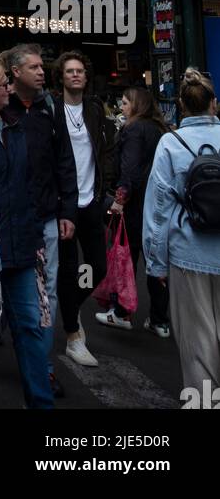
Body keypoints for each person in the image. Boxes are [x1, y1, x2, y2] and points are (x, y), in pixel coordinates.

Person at [0, 55, 54, 409]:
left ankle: (41, 403)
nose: (9, 88)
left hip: (20, 244)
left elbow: (27, 184)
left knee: (30, 328)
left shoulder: (16, 127)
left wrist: (34, 235)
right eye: (3, 83)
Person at [5, 43, 77, 398]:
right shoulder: (2, 108)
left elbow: (65, 160)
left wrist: (68, 211)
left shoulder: (51, 109)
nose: (41, 72)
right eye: (33, 67)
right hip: (11, 218)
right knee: (9, 289)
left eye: (40, 66)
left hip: (48, 215)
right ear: (15, 72)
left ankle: (43, 366)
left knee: (48, 293)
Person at [143, 67, 220, 396]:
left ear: (182, 106)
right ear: (214, 103)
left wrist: (156, 263)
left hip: (188, 254)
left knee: (197, 344)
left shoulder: (170, 143)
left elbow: (158, 210)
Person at [53, 50, 115, 368]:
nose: (76, 75)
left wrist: (106, 188)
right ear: (61, 77)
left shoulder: (93, 109)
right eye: (70, 71)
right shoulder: (52, 109)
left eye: (80, 71)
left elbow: (106, 149)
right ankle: (73, 335)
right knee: (67, 269)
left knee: (95, 268)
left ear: (86, 77)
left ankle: (70, 305)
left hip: (91, 202)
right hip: (65, 205)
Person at [96, 86, 170, 335]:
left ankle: (121, 312)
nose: (122, 106)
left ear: (136, 105)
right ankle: (160, 320)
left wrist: (120, 198)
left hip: (134, 206)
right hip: (157, 206)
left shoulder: (134, 129)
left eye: (126, 103)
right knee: (155, 264)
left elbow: (129, 169)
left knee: (124, 259)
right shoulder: (160, 129)